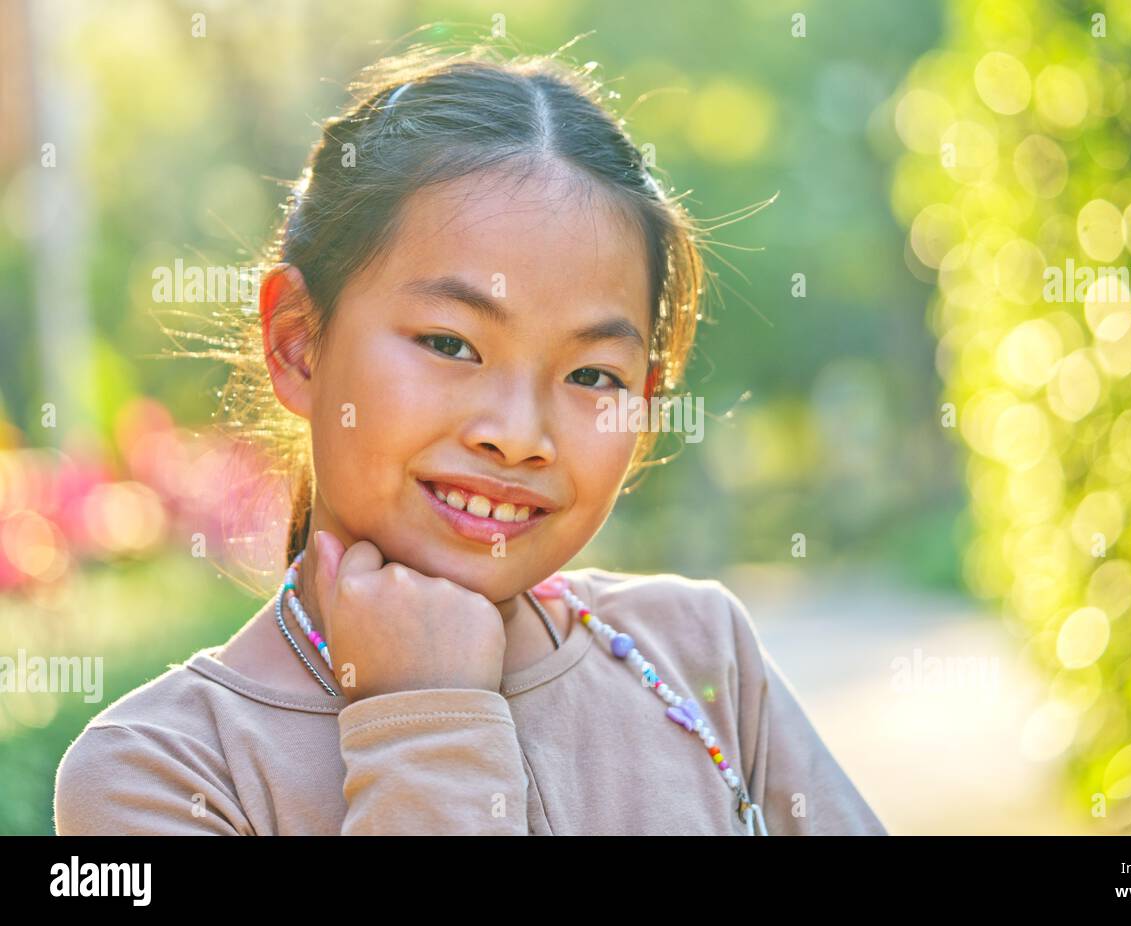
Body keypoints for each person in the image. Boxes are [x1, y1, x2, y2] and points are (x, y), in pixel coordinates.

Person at [52, 41, 888, 836]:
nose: (519, 437)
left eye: (593, 375)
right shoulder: (165, 773)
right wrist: (429, 725)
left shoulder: (700, 658)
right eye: (451, 344)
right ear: (299, 343)